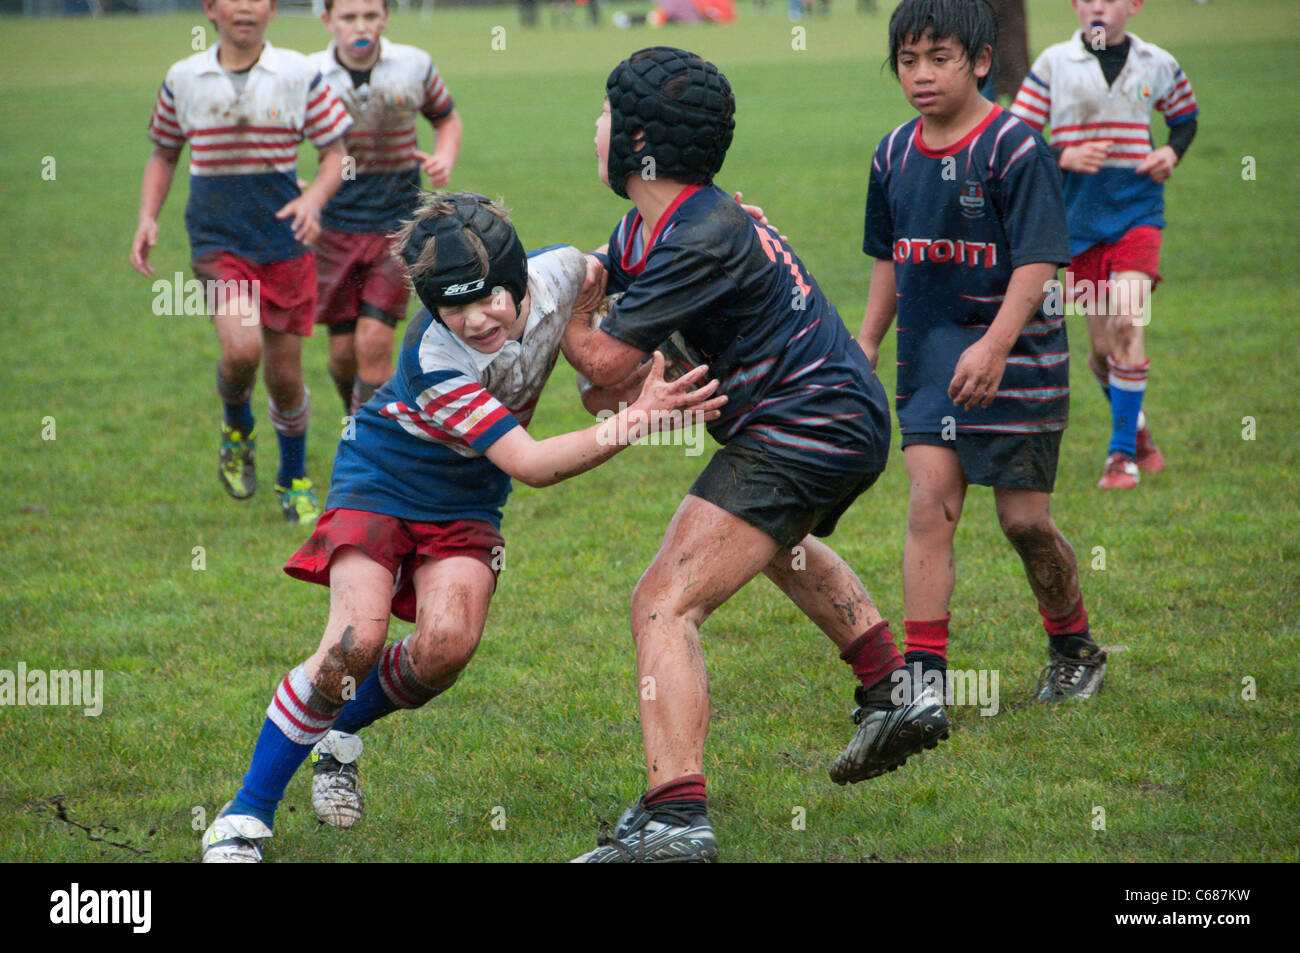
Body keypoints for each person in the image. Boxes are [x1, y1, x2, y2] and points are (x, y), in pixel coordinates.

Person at [201, 192, 725, 862]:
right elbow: (532, 465)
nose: (475, 320)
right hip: (383, 474)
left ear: (516, 280)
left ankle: (336, 733)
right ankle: (244, 816)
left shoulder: (563, 271)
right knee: (356, 640)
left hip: (468, 493)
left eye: (488, 299)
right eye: (453, 306)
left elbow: (627, 260)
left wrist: (719, 228)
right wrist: (636, 417)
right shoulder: (436, 357)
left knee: (446, 647)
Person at [565, 47, 949, 864]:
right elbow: (616, 362)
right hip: (829, 417)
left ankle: (675, 818)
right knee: (774, 545)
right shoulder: (654, 227)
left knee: (663, 602)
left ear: (636, 145)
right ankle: (894, 687)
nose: (590, 128)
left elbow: (601, 362)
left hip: (806, 425)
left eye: (601, 114)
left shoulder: (701, 233)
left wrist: (554, 315)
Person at [857, 0, 1106, 711]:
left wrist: (995, 346)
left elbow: (1038, 263)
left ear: (981, 62)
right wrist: (868, 341)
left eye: (940, 58)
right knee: (929, 508)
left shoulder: (1016, 148)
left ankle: (1073, 643)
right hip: (930, 365)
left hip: (1020, 365)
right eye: (908, 60)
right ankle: (925, 681)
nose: (922, 75)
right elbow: (888, 258)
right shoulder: (892, 153)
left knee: (1024, 522)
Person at [130, 0, 352, 524]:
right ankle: (237, 426)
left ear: (272, 10)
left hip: (284, 241)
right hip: (217, 240)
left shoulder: (298, 72)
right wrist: (147, 218)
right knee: (240, 348)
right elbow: (164, 153)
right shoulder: (184, 78)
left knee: (285, 378)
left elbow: (337, 153)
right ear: (211, 9)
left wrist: (314, 200)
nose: (246, 6)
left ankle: (293, 478)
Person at [1011, 0, 1198, 489]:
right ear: (1075, 7)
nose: (1098, 6)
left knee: (1127, 322)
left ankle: (1120, 459)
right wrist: (1064, 153)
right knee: (1099, 351)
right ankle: (1136, 431)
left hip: (1138, 212)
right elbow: (1019, 137)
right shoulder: (1054, 63)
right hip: (1077, 223)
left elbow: (1185, 118)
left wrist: (1170, 153)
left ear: (1133, 7)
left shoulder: (1157, 62)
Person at [310, 0, 462, 418]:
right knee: (342, 353)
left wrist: (444, 157)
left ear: (385, 18)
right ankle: (355, 420)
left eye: (370, 16)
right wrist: (294, 183)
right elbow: (277, 135)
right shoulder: (309, 74)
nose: (361, 26)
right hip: (334, 226)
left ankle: (367, 441)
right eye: (348, 17)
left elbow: (445, 117)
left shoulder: (413, 65)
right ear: (327, 21)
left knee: (373, 341)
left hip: (399, 224)